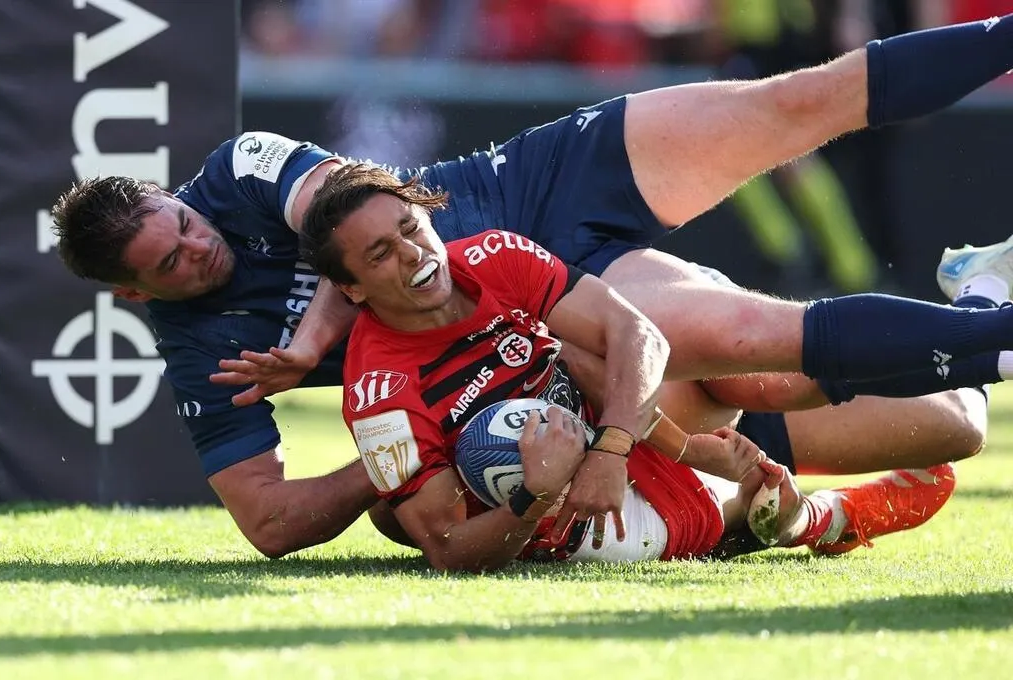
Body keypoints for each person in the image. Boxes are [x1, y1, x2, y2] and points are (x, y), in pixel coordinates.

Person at [50, 14, 1013, 557]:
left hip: (534, 190)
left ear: (178, 195)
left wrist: (305, 351)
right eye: (170, 263)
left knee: (796, 102)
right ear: (134, 297)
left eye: (183, 222)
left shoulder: (235, 168)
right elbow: (266, 521)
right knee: (938, 417)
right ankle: (972, 317)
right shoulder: (202, 354)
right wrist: (404, 469)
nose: (199, 245)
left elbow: (351, 215)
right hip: (552, 330)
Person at [302, 164, 955, 570]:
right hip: (569, 508)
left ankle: (975, 309)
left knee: (947, 424)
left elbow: (629, 339)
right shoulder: (381, 397)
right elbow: (446, 546)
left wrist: (660, 448)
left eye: (412, 228)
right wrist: (535, 498)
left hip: (635, 427)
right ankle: (808, 519)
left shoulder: (492, 256)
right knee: (401, 516)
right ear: (352, 289)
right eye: (381, 255)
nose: (414, 255)